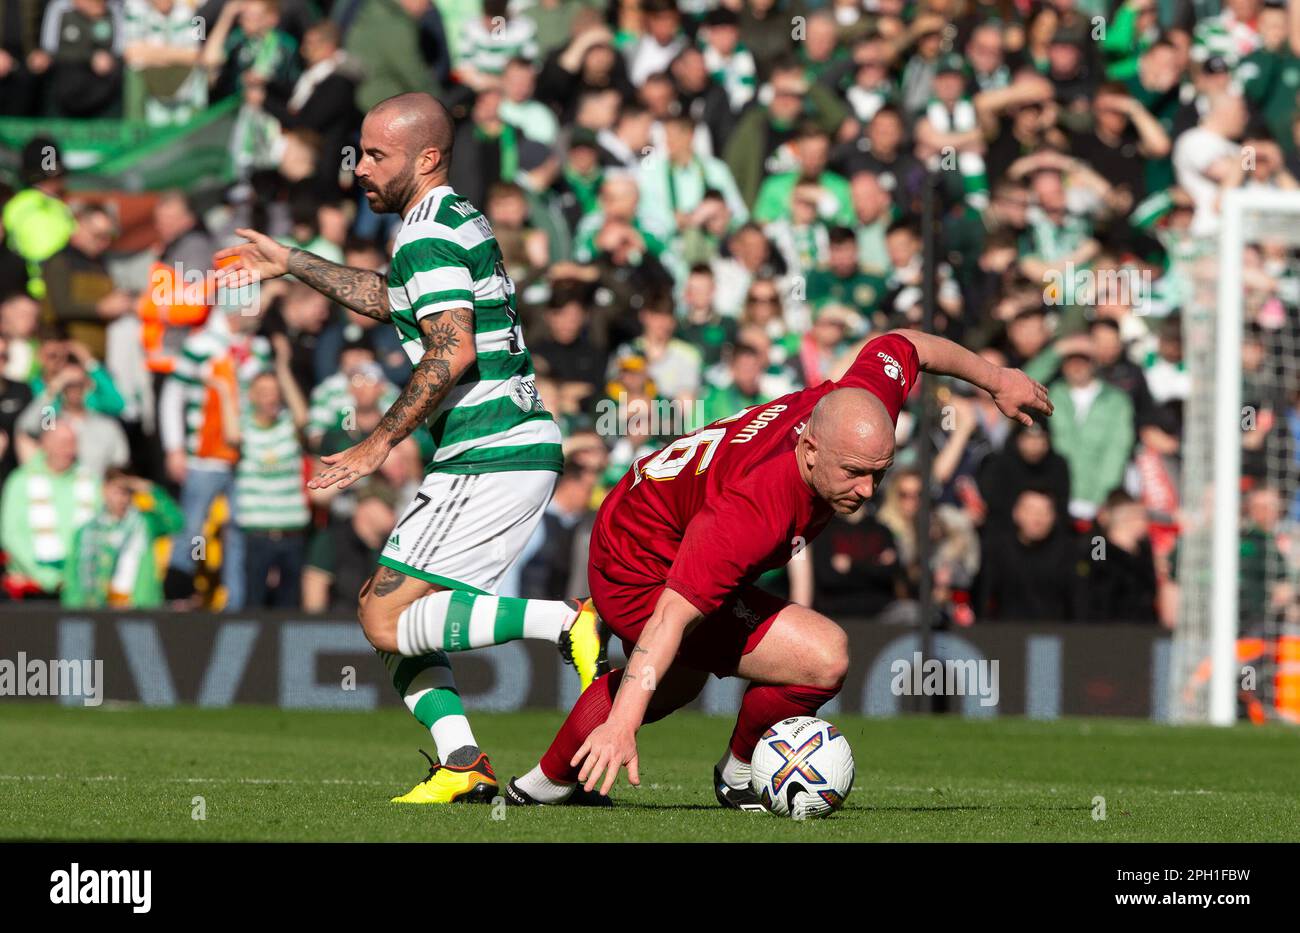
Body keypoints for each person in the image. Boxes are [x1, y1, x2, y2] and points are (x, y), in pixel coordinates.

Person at [464, 328, 1051, 807]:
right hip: (638, 563)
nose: (868, 490)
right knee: (823, 657)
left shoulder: (858, 408)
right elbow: (669, 617)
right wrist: (622, 726)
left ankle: (542, 786)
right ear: (809, 447)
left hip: (657, 516)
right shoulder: (755, 508)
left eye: (880, 471)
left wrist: (997, 380)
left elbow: (907, 344)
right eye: (853, 473)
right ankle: (735, 774)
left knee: (684, 674)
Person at [214, 91, 602, 805]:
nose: (359, 167)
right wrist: (295, 262)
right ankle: (462, 761)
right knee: (385, 616)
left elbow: (451, 348)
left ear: (426, 157)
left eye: (375, 155)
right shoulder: (452, 217)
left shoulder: (425, 233)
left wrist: (375, 442)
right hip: (505, 444)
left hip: (490, 447)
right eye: (360, 151)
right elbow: (392, 298)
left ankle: (568, 620)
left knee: (383, 618)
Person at [62, 468, 183, 608]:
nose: (122, 499)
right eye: (117, 492)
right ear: (104, 490)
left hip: (139, 606)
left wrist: (149, 489)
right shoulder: (86, 531)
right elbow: (72, 576)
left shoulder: (145, 523)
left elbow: (176, 522)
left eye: (127, 493)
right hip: (98, 607)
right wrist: (73, 608)